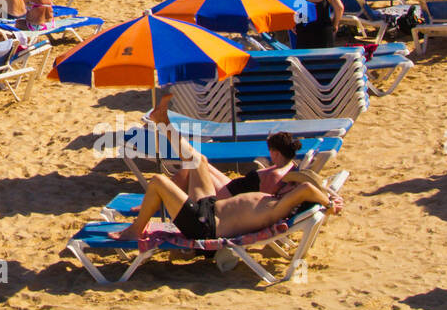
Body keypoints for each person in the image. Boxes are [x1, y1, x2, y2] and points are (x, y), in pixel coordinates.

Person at [110, 94, 342, 243]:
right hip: (208, 208)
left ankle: (135, 229)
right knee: (198, 160)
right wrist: (328, 195)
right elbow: (307, 189)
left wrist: (328, 203)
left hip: (205, 226)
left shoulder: (280, 206)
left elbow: (306, 191)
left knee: (159, 181)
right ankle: (163, 122)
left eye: (292, 183)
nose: (288, 183)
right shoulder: (276, 199)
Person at [165, 131, 302, 199]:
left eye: (270, 151)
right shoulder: (290, 167)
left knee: (190, 166)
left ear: (276, 153)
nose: (270, 155)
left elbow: (261, 203)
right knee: (200, 160)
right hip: (232, 187)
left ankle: (162, 199)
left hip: (229, 198)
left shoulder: (274, 176)